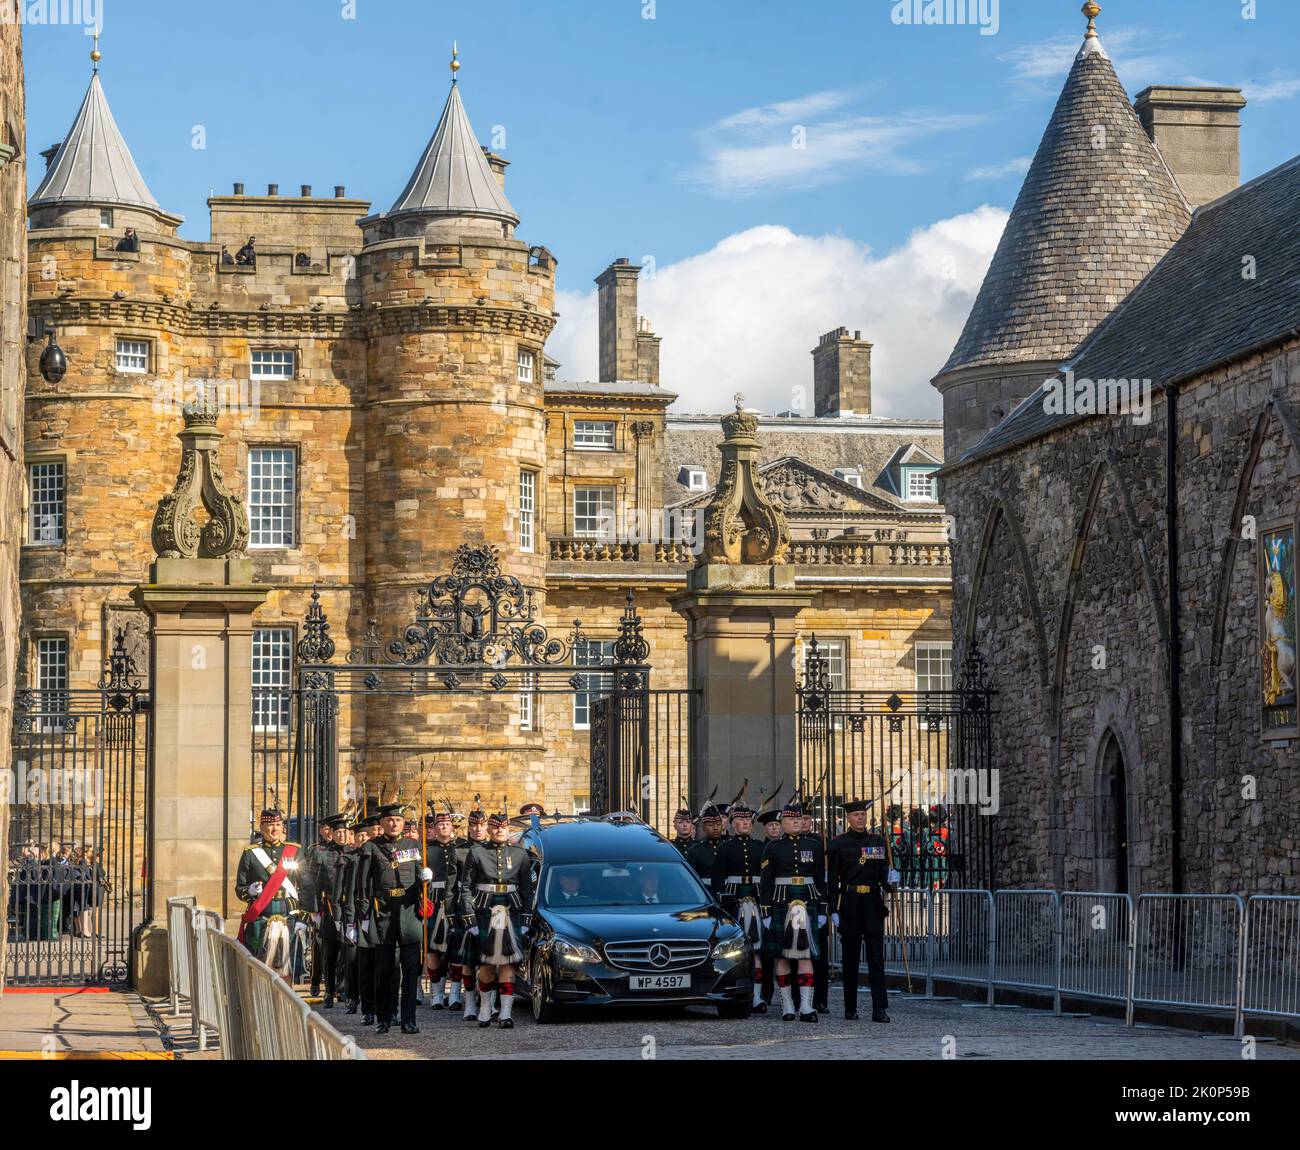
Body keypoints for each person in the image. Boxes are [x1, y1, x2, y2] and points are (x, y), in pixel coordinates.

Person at [460, 807, 534, 1029]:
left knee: (508, 963)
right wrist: (470, 918)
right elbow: (466, 887)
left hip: (511, 911)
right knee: (487, 963)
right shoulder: (477, 852)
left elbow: (527, 890)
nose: (500, 831)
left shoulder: (520, 854)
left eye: (504, 827)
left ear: (508, 829)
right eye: (496, 827)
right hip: (485, 911)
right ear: (489, 829)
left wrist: (527, 919)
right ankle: (484, 1009)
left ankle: (506, 1014)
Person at [362, 803, 432, 1035]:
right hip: (383, 914)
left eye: (398, 821)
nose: (394, 824)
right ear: (381, 823)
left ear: (403, 823)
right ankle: (384, 1017)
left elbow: (421, 875)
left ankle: (409, 1020)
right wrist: (363, 917)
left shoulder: (413, 846)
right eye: (390, 820)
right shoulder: (371, 848)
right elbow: (363, 885)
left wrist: (426, 877)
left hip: (409, 914)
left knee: (411, 970)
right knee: (385, 971)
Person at [828, 798, 899, 1022]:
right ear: (848, 818)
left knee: (876, 959)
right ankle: (850, 1007)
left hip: (872, 903)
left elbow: (884, 877)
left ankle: (880, 1008)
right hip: (849, 903)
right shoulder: (839, 843)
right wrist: (833, 909)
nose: (860, 818)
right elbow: (833, 882)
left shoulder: (878, 841)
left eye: (862, 814)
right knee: (850, 959)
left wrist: (891, 880)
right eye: (856, 815)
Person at [759, 801, 825, 1022]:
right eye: (791, 819)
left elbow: (819, 878)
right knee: (781, 955)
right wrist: (766, 911)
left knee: (807, 954)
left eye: (799, 819)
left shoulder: (814, 845)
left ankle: (806, 1006)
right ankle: (787, 1004)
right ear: (783, 822)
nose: (796, 822)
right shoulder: (773, 847)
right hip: (781, 902)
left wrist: (824, 907)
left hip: (808, 900)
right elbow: (766, 882)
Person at [712, 802, 766, 1011]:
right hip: (734, 901)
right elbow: (718, 881)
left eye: (747, 821)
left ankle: (757, 997)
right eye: (740, 821)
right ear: (733, 825)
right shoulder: (725, 849)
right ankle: (740, 992)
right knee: (737, 950)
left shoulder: (761, 847)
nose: (745, 824)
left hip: (756, 899)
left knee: (758, 950)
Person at [235, 809, 302, 971]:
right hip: (261, 915)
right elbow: (239, 888)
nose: (275, 829)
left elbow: (306, 885)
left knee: (286, 965)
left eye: (278, 825)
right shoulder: (250, 854)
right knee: (258, 963)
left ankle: (284, 996)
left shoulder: (294, 851)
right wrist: (249, 891)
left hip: (288, 915)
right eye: (270, 825)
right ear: (262, 827)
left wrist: (304, 917)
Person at [422, 807, 459, 1010]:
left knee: (455, 950)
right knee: (434, 949)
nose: (443, 827)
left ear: (452, 827)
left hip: (454, 902)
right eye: (439, 825)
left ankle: (454, 993)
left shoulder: (460, 847)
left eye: (446, 824)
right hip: (434, 902)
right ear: (434, 829)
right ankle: (436, 994)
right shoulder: (426, 850)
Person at [453, 806, 488, 1021]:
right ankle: (469, 1003)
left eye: (481, 825)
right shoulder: (459, 851)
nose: (477, 829)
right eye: (473, 825)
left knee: (491, 959)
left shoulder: (495, 850)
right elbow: (454, 885)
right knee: (468, 960)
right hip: (467, 908)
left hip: (490, 909)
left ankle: (489, 1003)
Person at [800, 808, 831, 1013]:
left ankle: (820, 999)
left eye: (807, 818)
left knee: (819, 956)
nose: (804, 822)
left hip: (815, 901)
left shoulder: (821, 842)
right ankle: (800, 998)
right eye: (801, 818)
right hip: (796, 905)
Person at [686, 804, 727, 896]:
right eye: (711, 825)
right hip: (704, 893)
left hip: (726, 893)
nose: (715, 828)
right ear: (704, 828)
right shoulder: (695, 850)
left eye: (718, 824)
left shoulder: (728, 847)